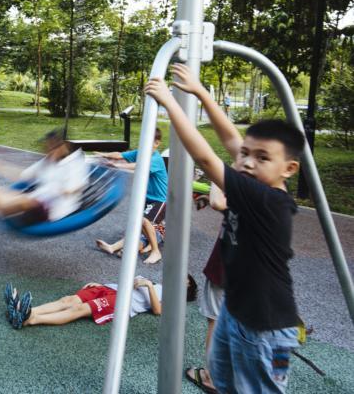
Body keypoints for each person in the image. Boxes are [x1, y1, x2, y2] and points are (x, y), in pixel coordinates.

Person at [146, 63, 304, 393]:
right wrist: (201, 92)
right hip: (236, 310)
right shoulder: (256, 178)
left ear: (288, 169)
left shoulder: (265, 199)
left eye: (262, 157)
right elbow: (232, 138)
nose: (246, 162)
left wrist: (171, 104)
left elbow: (206, 160)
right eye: (245, 154)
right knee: (222, 378)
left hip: (266, 326)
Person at [4, 275, 197, 329]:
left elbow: (158, 310)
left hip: (121, 302)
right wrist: (102, 284)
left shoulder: (168, 297)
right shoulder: (157, 283)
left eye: (183, 282)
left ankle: (31, 318)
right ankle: (22, 309)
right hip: (110, 289)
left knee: (79, 309)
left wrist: (148, 286)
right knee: (68, 299)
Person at [0, 129, 89, 226]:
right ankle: (5, 208)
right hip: (38, 199)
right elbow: (24, 175)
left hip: (55, 208)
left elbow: (76, 186)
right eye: (47, 148)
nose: (48, 151)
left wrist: (63, 191)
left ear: (63, 146)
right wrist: (2, 167)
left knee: (20, 202)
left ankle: (6, 209)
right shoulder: (49, 160)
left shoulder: (75, 164)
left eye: (52, 147)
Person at [94, 128, 168, 264]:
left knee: (144, 221)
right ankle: (112, 247)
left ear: (156, 143)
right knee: (136, 227)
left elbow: (138, 166)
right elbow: (120, 155)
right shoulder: (142, 153)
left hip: (160, 200)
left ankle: (156, 252)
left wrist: (115, 165)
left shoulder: (155, 159)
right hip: (148, 199)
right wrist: (104, 155)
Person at [186, 183, 227, 394]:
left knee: (216, 320)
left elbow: (218, 201)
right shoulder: (271, 193)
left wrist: (215, 183)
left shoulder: (248, 187)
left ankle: (212, 378)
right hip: (252, 273)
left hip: (226, 269)